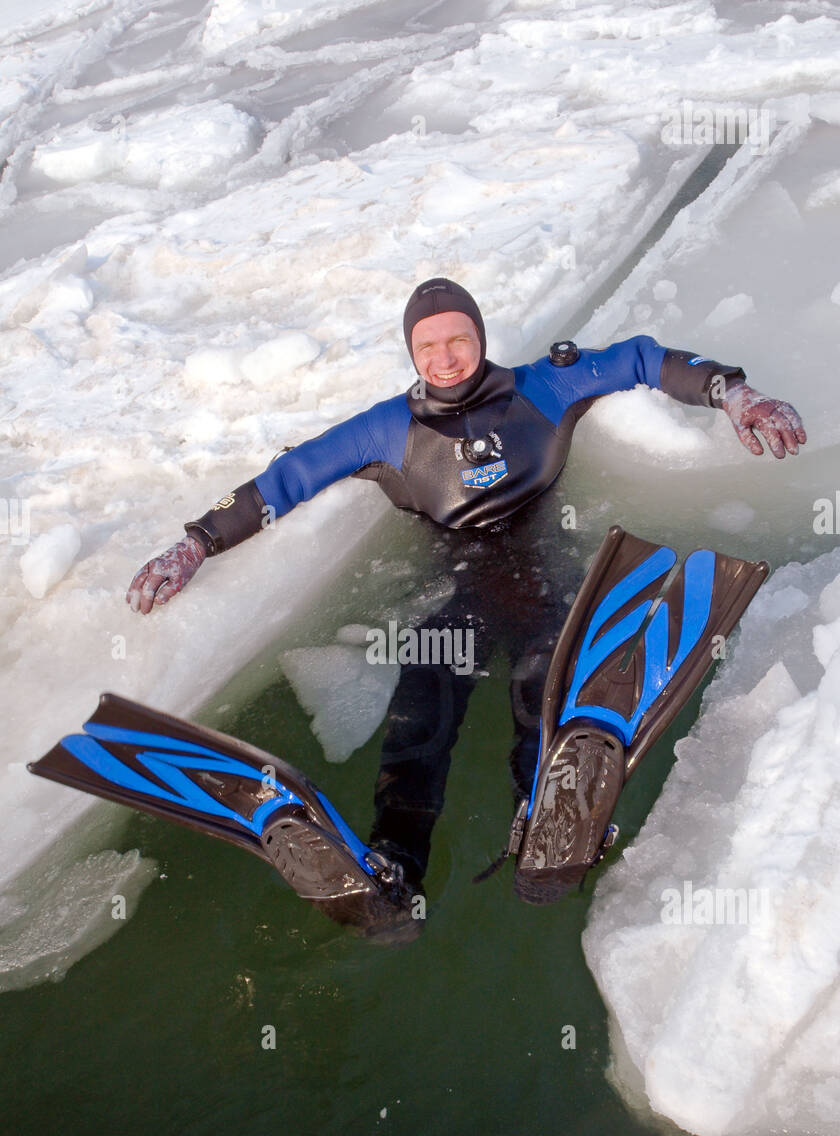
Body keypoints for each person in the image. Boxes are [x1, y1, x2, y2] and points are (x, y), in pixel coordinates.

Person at [119, 279, 804, 925]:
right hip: (461, 591)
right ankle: (392, 869)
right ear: (412, 353)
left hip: (545, 576)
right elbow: (282, 482)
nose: (445, 357)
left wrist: (734, 394)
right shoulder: (386, 430)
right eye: (428, 346)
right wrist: (196, 543)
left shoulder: (545, 385)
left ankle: (546, 812)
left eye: (458, 339)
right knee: (421, 708)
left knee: (546, 678)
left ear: (479, 336)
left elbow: (643, 361)